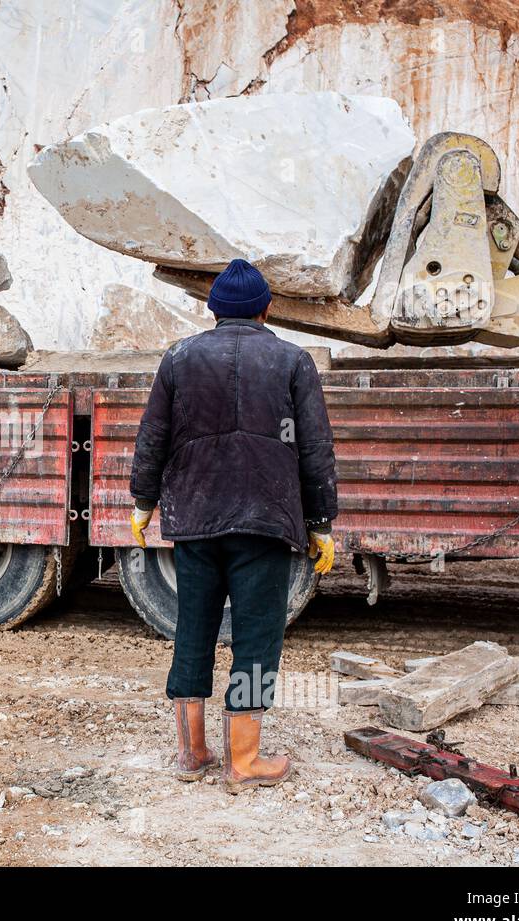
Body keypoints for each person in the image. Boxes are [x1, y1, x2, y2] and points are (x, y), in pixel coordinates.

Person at [128, 258, 338, 794]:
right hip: (266, 520)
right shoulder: (294, 362)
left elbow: (153, 435)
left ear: (213, 310)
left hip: (195, 519)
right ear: (267, 309)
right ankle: (244, 759)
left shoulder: (179, 358)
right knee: (256, 638)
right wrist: (321, 522)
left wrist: (143, 501)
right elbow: (314, 447)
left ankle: (192, 752)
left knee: (193, 629)